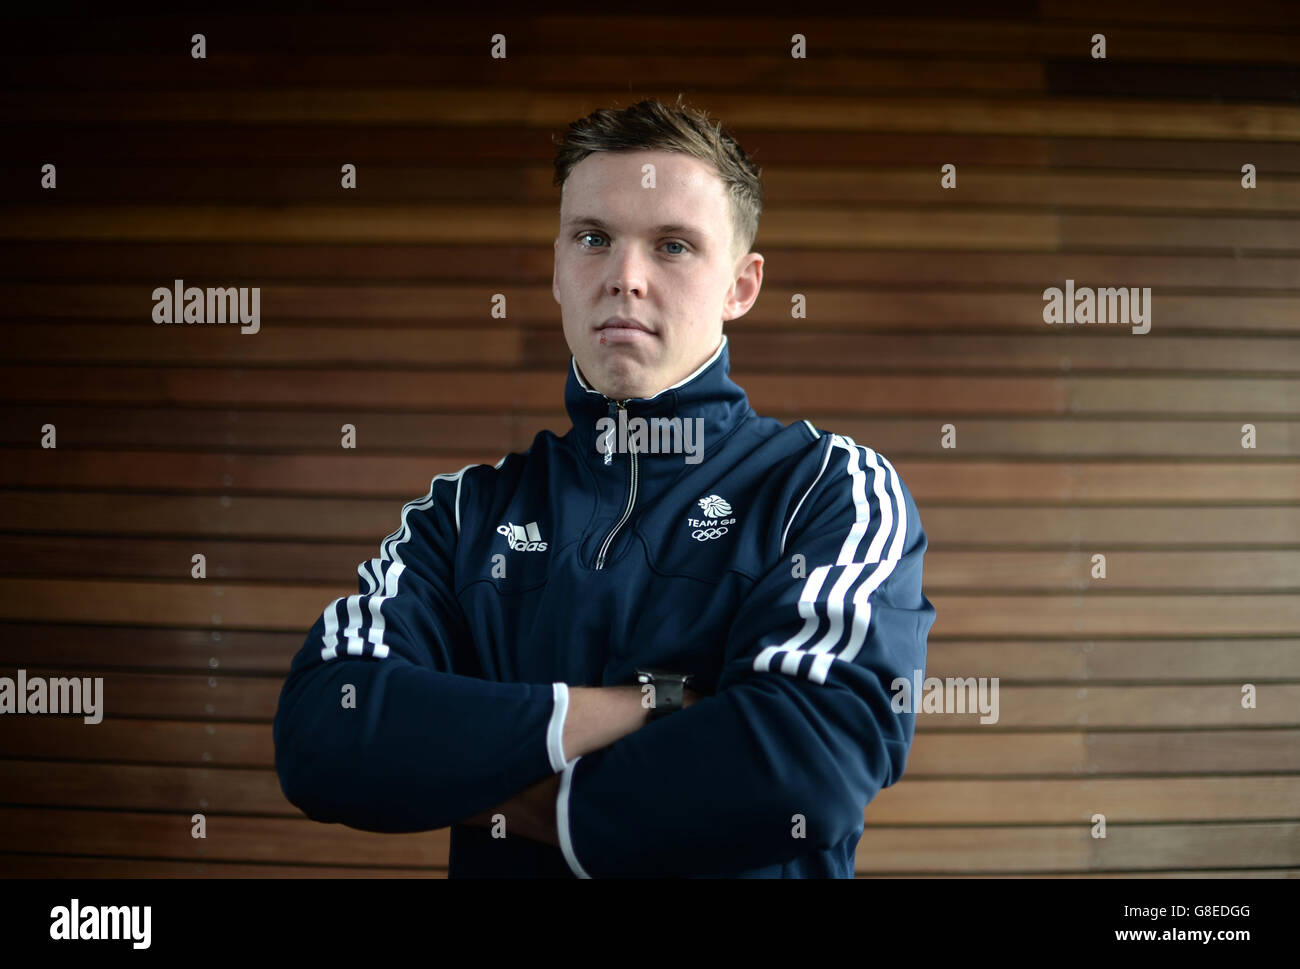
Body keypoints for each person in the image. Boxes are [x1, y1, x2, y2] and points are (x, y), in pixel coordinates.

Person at [273, 95, 936, 878]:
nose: (626, 278)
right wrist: (652, 705)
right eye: (594, 239)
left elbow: (807, 764)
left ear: (743, 286)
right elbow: (326, 728)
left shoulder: (829, 490)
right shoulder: (463, 516)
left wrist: (488, 782)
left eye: (674, 246)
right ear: (558, 266)